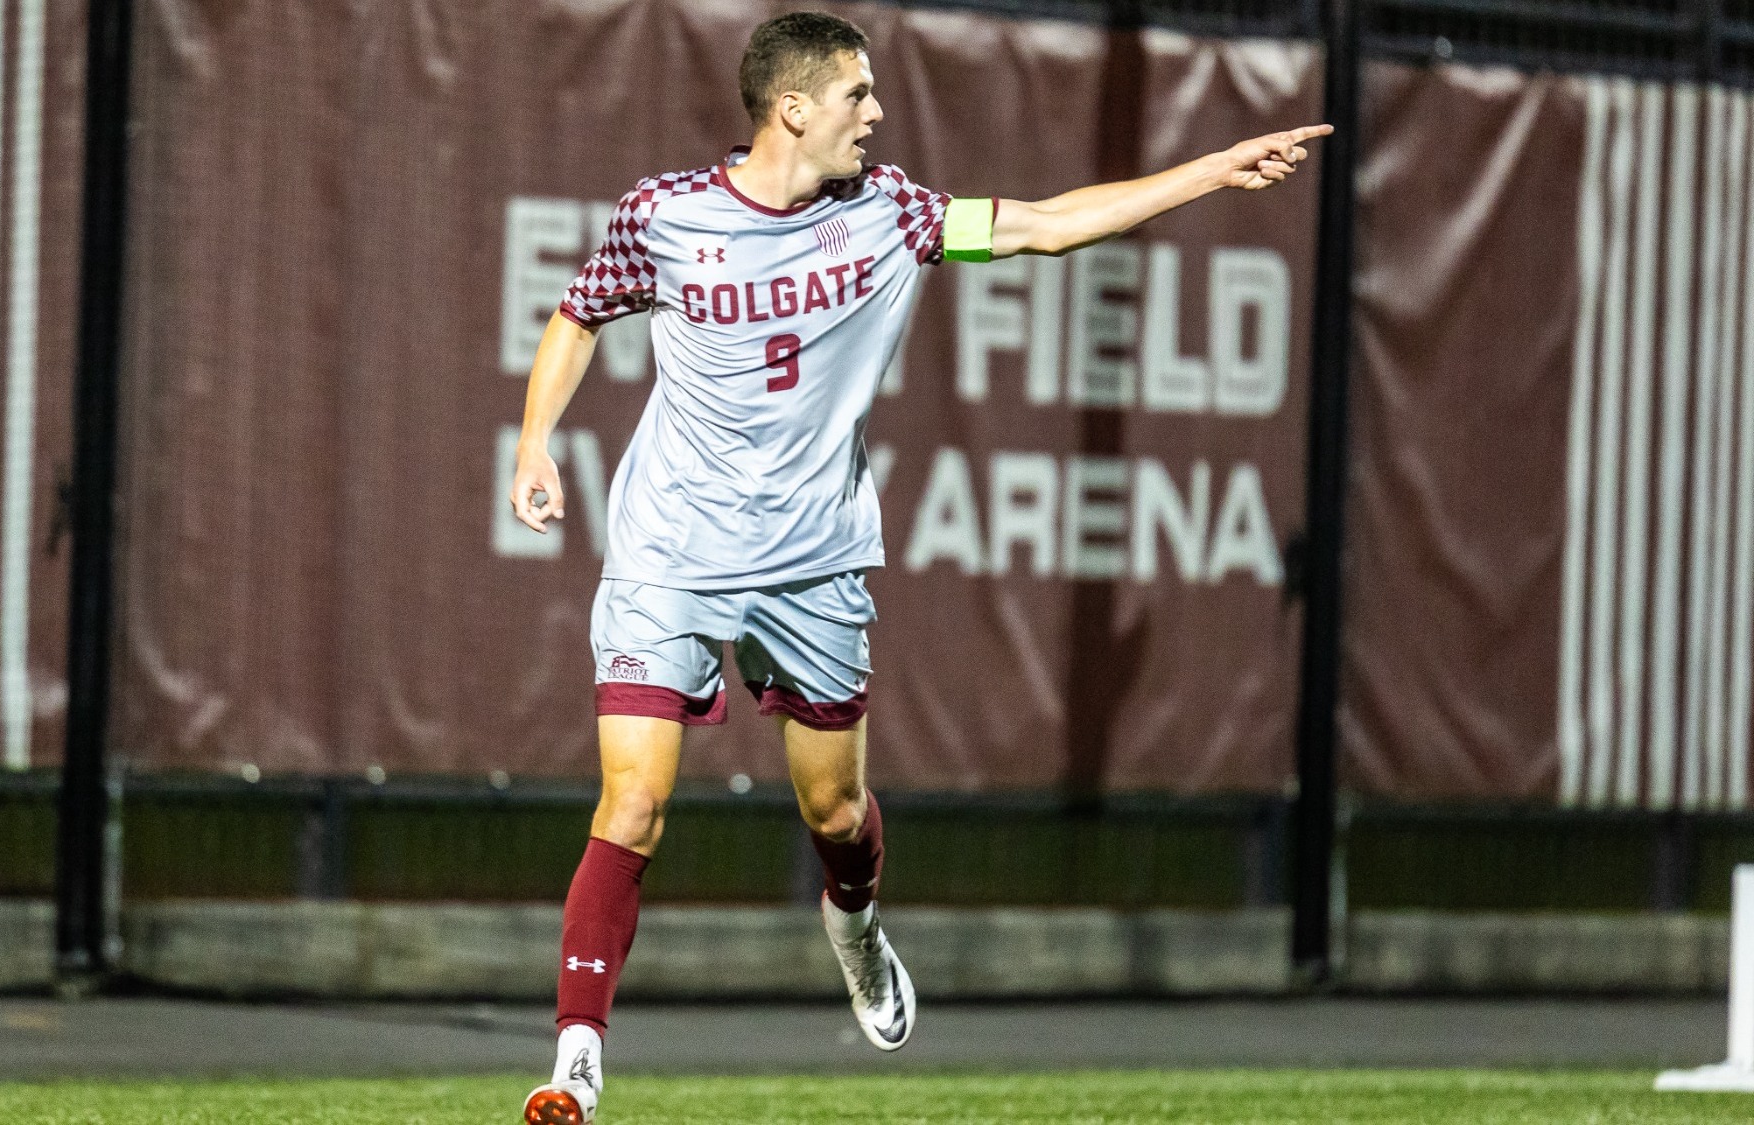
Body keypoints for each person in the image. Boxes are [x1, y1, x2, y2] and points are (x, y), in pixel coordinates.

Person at [512, 11, 1329, 1123]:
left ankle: (853, 928)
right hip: (670, 547)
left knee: (836, 811)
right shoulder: (663, 216)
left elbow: (1042, 226)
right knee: (634, 798)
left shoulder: (888, 213)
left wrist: (1209, 174)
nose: (877, 113)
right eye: (857, 94)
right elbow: (575, 319)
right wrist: (532, 442)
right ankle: (575, 1060)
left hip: (812, 562)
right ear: (793, 108)